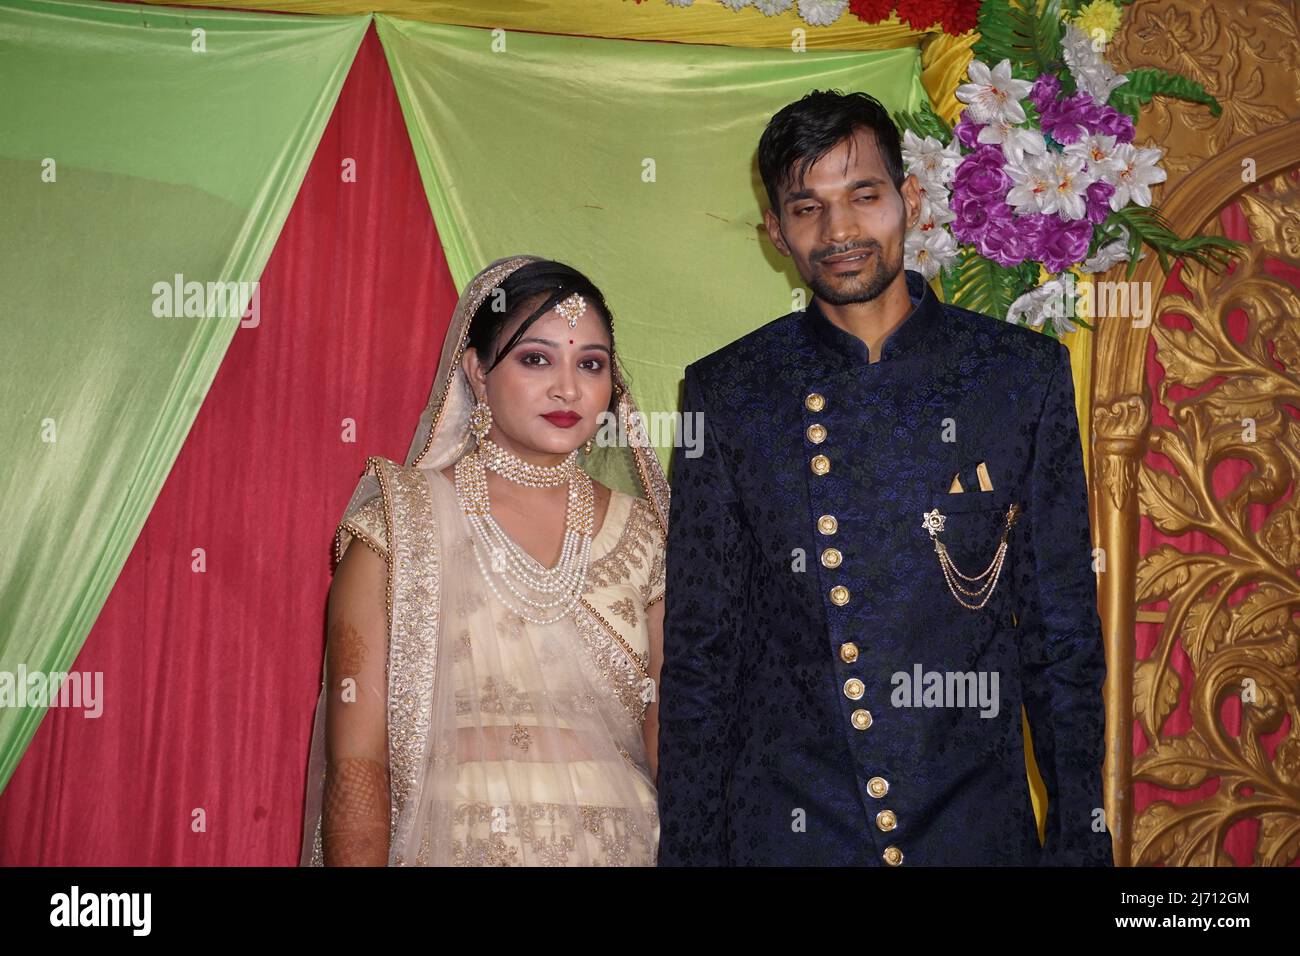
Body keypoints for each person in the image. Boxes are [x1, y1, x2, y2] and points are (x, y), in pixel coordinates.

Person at [656, 90, 1112, 866]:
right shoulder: (729, 392)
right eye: (807, 208)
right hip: (790, 826)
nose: (839, 232)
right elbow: (702, 654)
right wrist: (691, 854)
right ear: (775, 231)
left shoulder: (1018, 377)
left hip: (971, 826)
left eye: (863, 195)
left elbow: (1060, 637)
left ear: (909, 198)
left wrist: (1079, 844)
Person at [300, 256, 670, 866]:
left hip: (619, 848)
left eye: (591, 364)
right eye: (535, 358)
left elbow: (672, 737)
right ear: (476, 370)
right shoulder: (401, 522)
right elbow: (357, 761)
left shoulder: (647, 535)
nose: (568, 388)